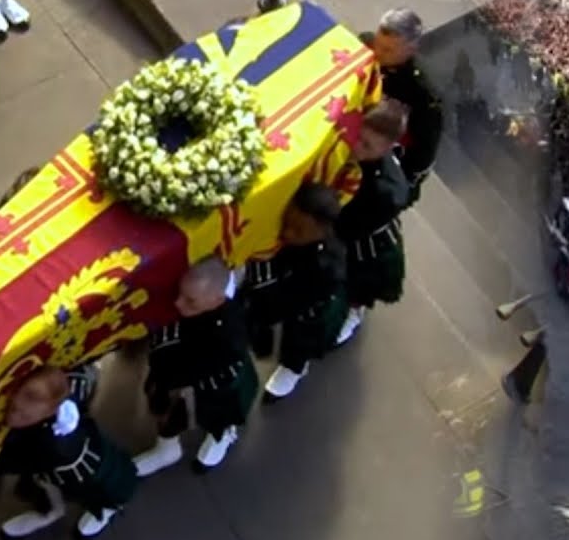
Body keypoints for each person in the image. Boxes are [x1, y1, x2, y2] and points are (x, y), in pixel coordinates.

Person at [134, 256, 258, 476]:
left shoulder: (228, 333)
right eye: (181, 294)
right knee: (165, 410)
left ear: (216, 301)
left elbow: (196, 368)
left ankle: (221, 434)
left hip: (210, 380)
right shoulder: (199, 304)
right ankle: (167, 448)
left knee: (215, 412)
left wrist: (168, 380)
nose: (178, 303)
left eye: (190, 300)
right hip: (178, 366)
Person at [0, 364, 136, 540]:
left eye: (22, 414)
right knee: (46, 484)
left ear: (51, 410)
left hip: (85, 476)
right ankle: (52, 508)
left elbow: (8, 462)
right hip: (56, 468)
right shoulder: (61, 405)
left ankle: (103, 511)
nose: (18, 406)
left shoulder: (52, 446)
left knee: (97, 494)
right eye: (14, 407)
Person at [244, 183, 348, 402]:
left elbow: (277, 307)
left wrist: (260, 269)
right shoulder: (291, 238)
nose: (288, 233)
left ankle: (295, 367)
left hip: (307, 305)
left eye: (299, 231)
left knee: (301, 336)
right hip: (287, 282)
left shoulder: (325, 268)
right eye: (287, 223)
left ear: (323, 230)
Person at [333, 99, 411, 345]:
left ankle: (354, 312)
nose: (357, 147)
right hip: (340, 218)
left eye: (367, 146)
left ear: (388, 147)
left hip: (364, 241)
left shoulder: (387, 191)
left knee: (357, 282)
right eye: (358, 136)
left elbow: (349, 229)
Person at [367, 7, 443, 208]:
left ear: (410, 49)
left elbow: (421, 158)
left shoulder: (422, 95)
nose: (377, 52)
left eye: (388, 50)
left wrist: (397, 188)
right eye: (377, 44)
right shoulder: (364, 46)